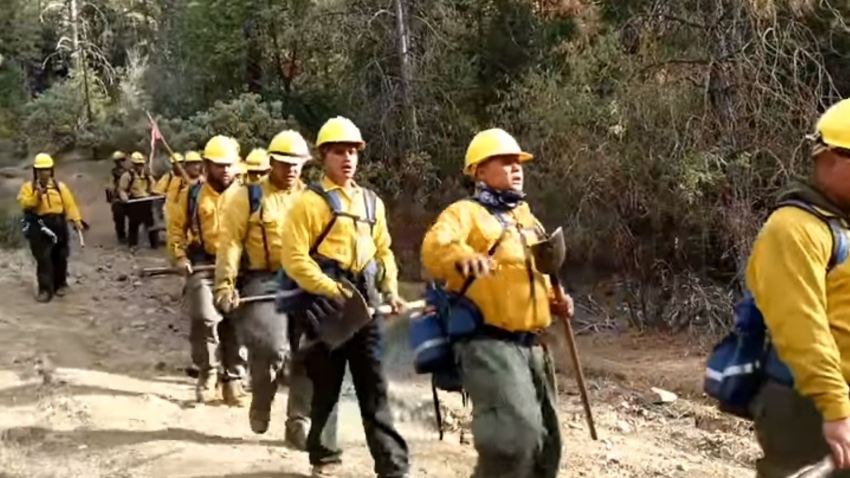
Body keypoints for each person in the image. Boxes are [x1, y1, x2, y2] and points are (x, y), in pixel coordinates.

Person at [421, 128, 573, 478]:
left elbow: (534, 275)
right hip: (486, 341)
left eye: (518, 161)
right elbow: (435, 247)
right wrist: (462, 256)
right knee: (515, 439)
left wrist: (557, 301)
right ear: (479, 171)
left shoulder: (527, 220)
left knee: (547, 449)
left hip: (533, 345)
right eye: (504, 162)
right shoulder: (465, 213)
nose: (516, 167)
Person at [279, 116, 409, 478]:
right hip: (325, 303)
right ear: (324, 156)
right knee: (328, 384)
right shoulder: (307, 203)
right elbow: (295, 259)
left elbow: (384, 252)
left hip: (366, 299)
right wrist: (331, 289)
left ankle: (392, 467)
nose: (348, 159)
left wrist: (391, 290)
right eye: (339, 152)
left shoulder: (371, 202)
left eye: (353, 151)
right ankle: (325, 458)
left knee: (375, 386)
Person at [746, 99, 850, 477]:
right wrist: (836, 408)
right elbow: (802, 329)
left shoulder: (840, 225)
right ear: (829, 158)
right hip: (808, 406)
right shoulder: (793, 228)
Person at [214, 131, 314, 448]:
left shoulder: (313, 198)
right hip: (263, 281)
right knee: (271, 348)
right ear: (271, 162)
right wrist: (225, 284)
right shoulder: (247, 197)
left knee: (311, 349)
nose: (291, 170)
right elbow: (229, 244)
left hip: (305, 281)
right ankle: (261, 397)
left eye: (297, 164)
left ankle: (299, 420)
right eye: (285, 164)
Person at [168, 135, 248, 406]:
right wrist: (179, 257)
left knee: (236, 320)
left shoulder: (249, 194)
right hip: (203, 261)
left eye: (228, 165)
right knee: (205, 318)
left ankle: (234, 377)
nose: (224, 170)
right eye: (218, 165)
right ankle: (208, 372)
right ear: (206, 165)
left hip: (239, 265)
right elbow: (176, 229)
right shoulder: (191, 194)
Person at [18, 153, 84, 303]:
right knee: (43, 258)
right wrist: (37, 196)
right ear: (35, 171)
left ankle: (61, 284)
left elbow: (69, 204)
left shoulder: (60, 187)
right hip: (39, 226)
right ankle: (45, 290)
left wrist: (76, 220)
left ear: (51, 170)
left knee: (61, 256)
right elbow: (26, 204)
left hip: (58, 223)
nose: (44, 173)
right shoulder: (28, 188)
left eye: (47, 169)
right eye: (41, 170)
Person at [118, 151, 158, 249]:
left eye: (141, 164)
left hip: (146, 201)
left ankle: (154, 244)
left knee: (151, 224)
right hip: (134, 202)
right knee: (134, 224)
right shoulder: (127, 176)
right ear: (133, 164)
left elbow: (154, 186)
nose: (140, 166)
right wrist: (124, 198)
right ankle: (133, 244)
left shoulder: (147, 175)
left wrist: (155, 192)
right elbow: (122, 189)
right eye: (137, 164)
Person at [153, 152, 185, 223]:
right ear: (173, 165)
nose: (180, 165)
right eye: (177, 163)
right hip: (170, 210)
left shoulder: (186, 177)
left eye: (181, 163)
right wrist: (167, 195)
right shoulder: (168, 177)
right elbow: (157, 191)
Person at [106, 150, 128, 243]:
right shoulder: (113, 173)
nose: (120, 163)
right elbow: (110, 186)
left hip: (129, 194)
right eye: (118, 161)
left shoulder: (130, 171)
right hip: (118, 197)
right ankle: (121, 236)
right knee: (119, 217)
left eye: (121, 160)